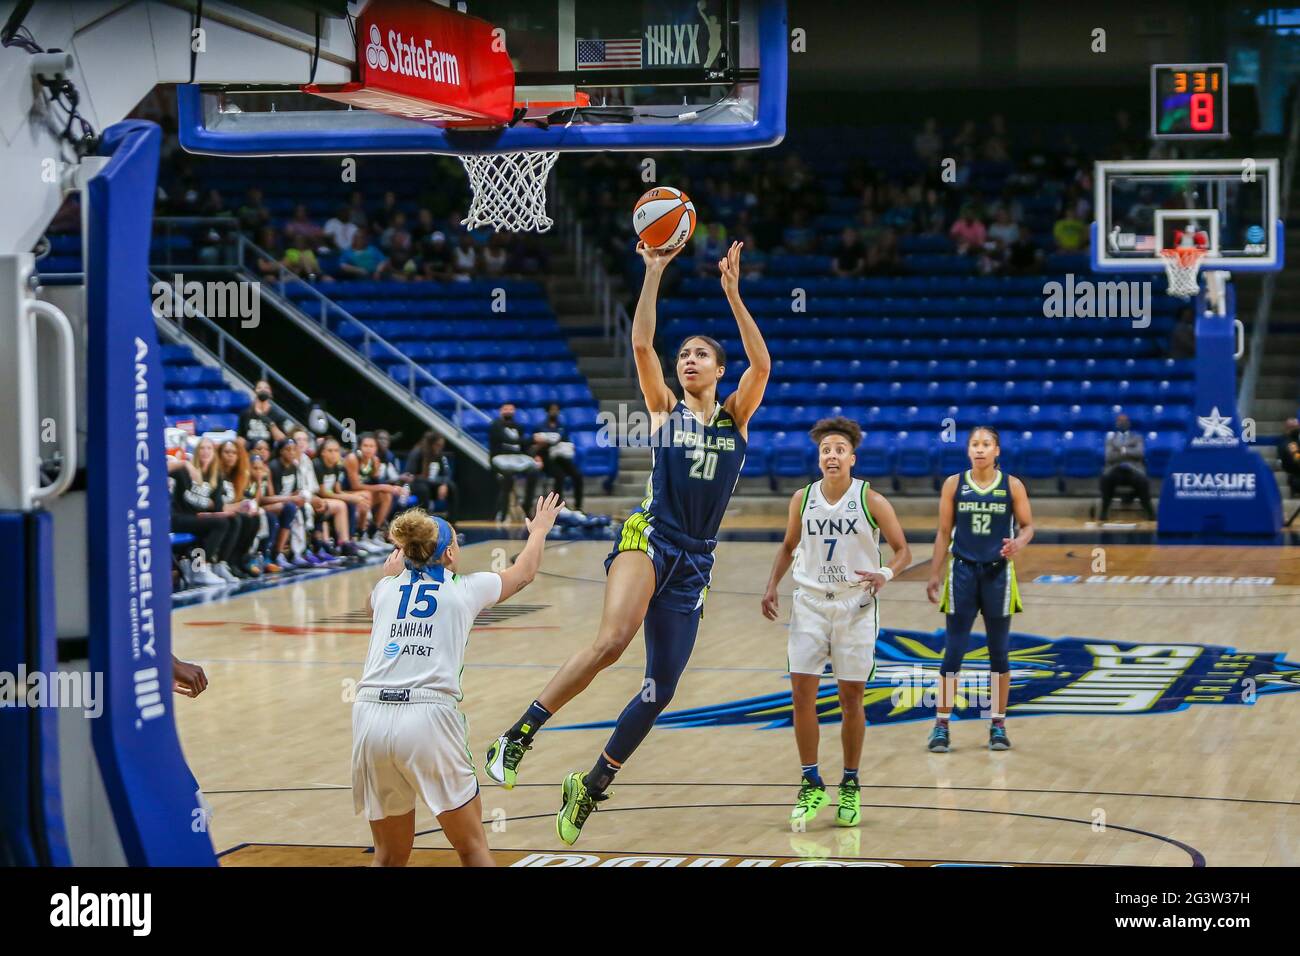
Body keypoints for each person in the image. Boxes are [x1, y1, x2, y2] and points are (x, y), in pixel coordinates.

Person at [484, 240, 770, 846]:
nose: (688, 360)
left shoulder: (734, 419)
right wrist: (653, 271)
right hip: (651, 537)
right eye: (684, 354)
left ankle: (588, 788)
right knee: (612, 641)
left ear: (720, 371)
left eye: (701, 355)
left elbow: (763, 366)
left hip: (696, 561)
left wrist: (734, 297)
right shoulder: (666, 409)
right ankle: (519, 734)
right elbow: (642, 344)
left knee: (659, 690)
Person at [352, 493, 564, 867]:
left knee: (388, 855)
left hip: (369, 716)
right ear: (449, 554)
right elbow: (524, 574)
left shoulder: (385, 590)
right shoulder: (464, 587)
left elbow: (372, 603)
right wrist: (540, 530)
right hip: (426, 717)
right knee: (471, 847)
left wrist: (391, 574)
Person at [761, 417, 911, 829]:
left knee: (850, 700)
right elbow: (790, 546)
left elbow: (902, 551)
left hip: (855, 607)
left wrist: (886, 573)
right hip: (809, 603)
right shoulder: (802, 498)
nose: (831, 455)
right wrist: (772, 585)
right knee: (801, 696)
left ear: (852, 458)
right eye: (826, 449)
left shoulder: (871, 500)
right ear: (819, 457)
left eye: (839, 450)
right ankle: (810, 781)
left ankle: (850, 783)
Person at [925, 426, 1035, 753]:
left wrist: (1019, 542)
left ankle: (998, 723)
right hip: (962, 573)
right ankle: (941, 724)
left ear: (997, 451)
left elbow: (1029, 526)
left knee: (999, 652)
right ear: (968, 450)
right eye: (975, 444)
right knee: (954, 651)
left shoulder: (1012, 485)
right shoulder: (953, 485)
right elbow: (943, 533)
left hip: (998, 574)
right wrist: (935, 574)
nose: (980, 449)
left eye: (986, 444)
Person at [312, 436, 370, 556]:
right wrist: (350, 497)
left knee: (353, 502)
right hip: (317, 499)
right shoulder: (317, 465)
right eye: (330, 451)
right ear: (322, 452)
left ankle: (351, 540)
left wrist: (354, 497)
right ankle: (343, 542)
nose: (334, 454)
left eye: (336, 450)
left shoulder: (337, 466)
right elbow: (322, 492)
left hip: (330, 498)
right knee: (342, 504)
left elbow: (337, 490)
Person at [344, 433, 402, 550]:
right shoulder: (352, 459)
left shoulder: (375, 461)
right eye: (365, 445)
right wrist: (382, 486)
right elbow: (355, 486)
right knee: (368, 495)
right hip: (346, 492)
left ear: (376, 448)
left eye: (372, 446)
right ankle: (360, 536)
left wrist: (389, 488)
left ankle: (373, 533)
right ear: (360, 447)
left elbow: (376, 483)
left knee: (386, 495)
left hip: (363, 492)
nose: (369, 449)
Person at [488, 403, 542, 523]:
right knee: (508, 475)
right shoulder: (495, 425)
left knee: (534, 471)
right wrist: (531, 439)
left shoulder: (519, 426)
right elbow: (509, 440)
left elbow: (523, 447)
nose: (508, 412)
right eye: (506, 409)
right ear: (501, 411)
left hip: (517, 457)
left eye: (511, 409)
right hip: (500, 457)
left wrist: (534, 456)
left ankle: (527, 506)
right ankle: (502, 512)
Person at [530, 402, 584, 516]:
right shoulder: (540, 426)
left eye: (556, 410)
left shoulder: (562, 426)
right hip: (546, 458)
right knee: (559, 475)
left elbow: (566, 441)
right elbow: (533, 445)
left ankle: (578, 507)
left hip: (561, 457)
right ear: (548, 411)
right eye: (552, 410)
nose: (554, 412)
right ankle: (557, 505)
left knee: (577, 475)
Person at [1100, 414, 1155, 520]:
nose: (1122, 423)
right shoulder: (1110, 439)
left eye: (1124, 421)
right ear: (1116, 424)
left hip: (1133, 470)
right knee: (1105, 479)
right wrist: (1129, 451)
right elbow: (1109, 457)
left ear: (1129, 423)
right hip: (1116, 469)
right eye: (1120, 421)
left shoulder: (1137, 437)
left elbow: (1139, 453)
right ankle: (1103, 512)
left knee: (1143, 481)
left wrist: (1122, 450)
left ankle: (1151, 514)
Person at [404, 431, 457, 520]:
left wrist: (444, 484)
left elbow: (447, 474)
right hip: (416, 486)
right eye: (438, 445)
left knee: (451, 486)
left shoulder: (440, 455)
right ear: (430, 444)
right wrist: (436, 481)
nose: (440, 448)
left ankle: (452, 522)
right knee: (423, 489)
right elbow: (410, 475)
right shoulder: (417, 453)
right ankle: (425, 522)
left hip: (433, 485)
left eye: (441, 445)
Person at [238, 380, 285, 448]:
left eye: (266, 388)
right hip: (250, 451)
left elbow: (282, 439)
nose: (263, 390)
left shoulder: (277, 415)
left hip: (268, 452)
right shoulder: (245, 413)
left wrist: (269, 422)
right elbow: (240, 437)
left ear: (270, 393)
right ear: (255, 391)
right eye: (259, 387)